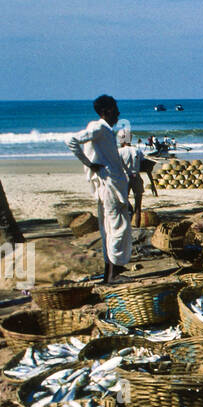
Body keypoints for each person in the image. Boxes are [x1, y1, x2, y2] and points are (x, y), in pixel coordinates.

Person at [67, 94, 133, 283]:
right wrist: (89, 164)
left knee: (110, 229)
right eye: (116, 112)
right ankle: (113, 275)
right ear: (107, 112)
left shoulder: (103, 130)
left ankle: (111, 272)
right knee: (117, 228)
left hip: (111, 185)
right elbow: (71, 140)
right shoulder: (98, 128)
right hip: (109, 186)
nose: (118, 116)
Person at [117, 128, 146, 227]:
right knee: (138, 206)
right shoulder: (137, 150)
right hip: (136, 177)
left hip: (125, 178)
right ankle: (137, 226)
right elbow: (143, 163)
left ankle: (126, 226)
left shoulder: (119, 152)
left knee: (123, 202)